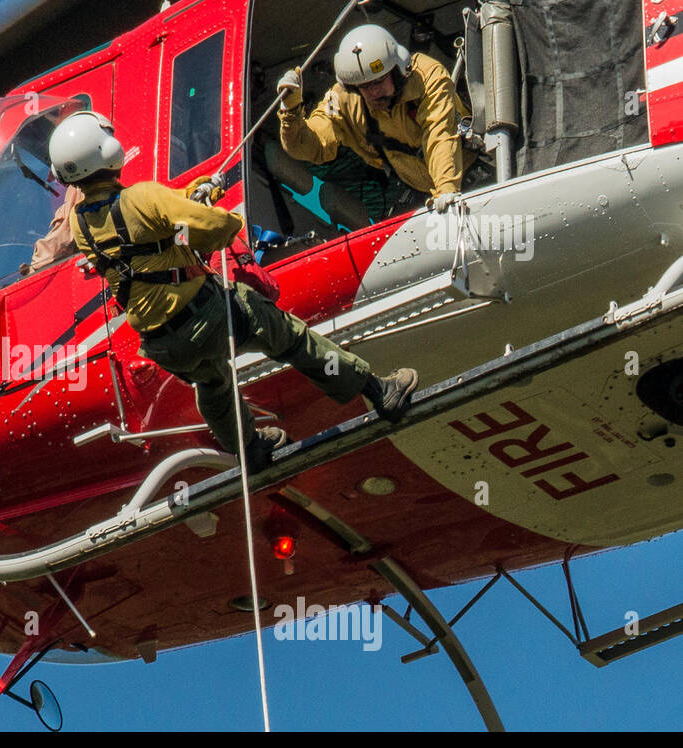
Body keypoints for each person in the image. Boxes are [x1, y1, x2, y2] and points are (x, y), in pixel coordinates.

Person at [47, 110, 418, 469]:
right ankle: (378, 391)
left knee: (212, 383)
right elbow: (216, 229)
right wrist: (228, 216)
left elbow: (149, 238)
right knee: (289, 336)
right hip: (205, 317)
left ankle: (250, 449)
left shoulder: (81, 225)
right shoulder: (143, 197)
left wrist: (192, 196)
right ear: (106, 151)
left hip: (162, 343)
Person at [277, 24, 473, 215]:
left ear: (397, 71)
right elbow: (309, 145)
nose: (373, 92)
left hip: (469, 175)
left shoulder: (426, 76)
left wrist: (447, 190)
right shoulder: (344, 100)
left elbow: (440, 134)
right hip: (423, 191)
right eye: (365, 86)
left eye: (379, 80)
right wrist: (291, 111)